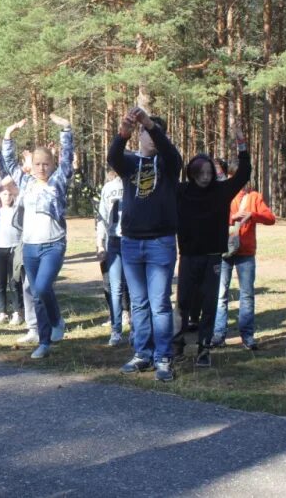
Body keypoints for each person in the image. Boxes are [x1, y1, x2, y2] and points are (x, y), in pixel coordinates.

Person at [107, 107, 182, 382]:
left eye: (153, 133)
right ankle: (142, 354)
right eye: (144, 133)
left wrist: (151, 124)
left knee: (159, 303)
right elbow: (113, 156)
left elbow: (170, 152)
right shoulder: (129, 163)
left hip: (160, 242)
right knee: (138, 303)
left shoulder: (169, 165)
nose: (148, 137)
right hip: (131, 242)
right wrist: (123, 133)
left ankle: (164, 357)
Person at [172, 127, 251, 367]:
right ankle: (177, 345)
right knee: (183, 303)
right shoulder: (182, 191)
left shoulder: (222, 190)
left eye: (209, 172)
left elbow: (244, 172)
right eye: (201, 173)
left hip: (213, 257)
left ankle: (204, 349)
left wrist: (242, 146)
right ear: (192, 173)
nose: (206, 177)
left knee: (209, 304)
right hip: (188, 257)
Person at [2, 113, 74, 359]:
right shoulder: (25, 182)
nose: (42, 168)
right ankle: (44, 342)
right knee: (36, 293)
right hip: (30, 248)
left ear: (52, 165)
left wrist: (66, 129)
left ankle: (56, 321)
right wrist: (8, 135)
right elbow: (9, 162)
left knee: (42, 287)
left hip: (53, 245)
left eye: (46, 164)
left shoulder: (59, 181)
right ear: (30, 166)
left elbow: (68, 158)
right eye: (37, 164)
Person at [211, 158, 276, 349]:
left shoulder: (254, 197)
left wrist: (252, 215)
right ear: (229, 176)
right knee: (220, 294)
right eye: (235, 177)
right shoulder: (221, 194)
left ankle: (247, 336)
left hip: (246, 253)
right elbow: (210, 216)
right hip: (223, 251)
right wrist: (231, 218)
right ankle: (218, 335)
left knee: (246, 295)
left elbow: (271, 218)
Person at [96, 168, 130, 346]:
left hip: (132, 240)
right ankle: (116, 330)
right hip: (114, 241)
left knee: (134, 287)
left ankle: (137, 329)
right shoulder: (108, 188)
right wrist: (100, 243)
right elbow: (101, 217)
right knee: (115, 287)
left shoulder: (135, 184)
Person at [0, 183, 23, 325]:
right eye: (4, 194)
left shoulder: (17, 210)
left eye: (10, 194)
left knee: (15, 282)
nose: (7, 197)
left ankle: (17, 312)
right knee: (0, 282)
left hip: (14, 249)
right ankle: (2, 312)